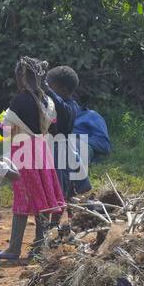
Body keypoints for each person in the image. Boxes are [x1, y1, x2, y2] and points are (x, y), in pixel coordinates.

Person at [0, 56, 66, 261]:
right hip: (42, 152)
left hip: (23, 154)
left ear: (21, 76)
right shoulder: (47, 100)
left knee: (23, 197)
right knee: (42, 198)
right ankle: (38, 248)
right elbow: (51, 127)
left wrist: (4, 124)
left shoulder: (19, 100)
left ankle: (14, 249)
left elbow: (8, 130)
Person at [46, 65, 93, 199]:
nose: (47, 90)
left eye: (50, 86)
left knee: (61, 185)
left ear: (63, 90)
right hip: (51, 148)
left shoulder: (71, 106)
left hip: (61, 151)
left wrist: (47, 91)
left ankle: (56, 218)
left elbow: (61, 107)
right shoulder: (51, 105)